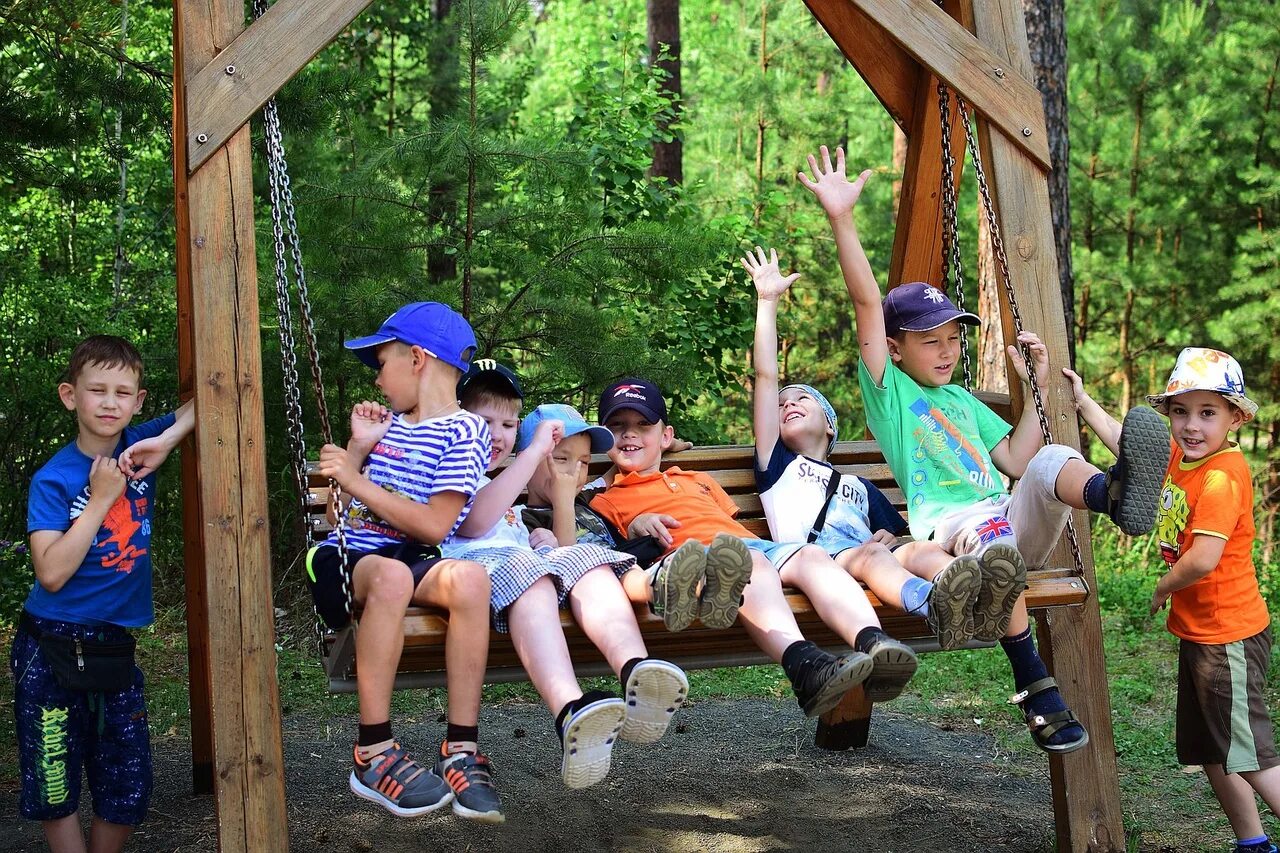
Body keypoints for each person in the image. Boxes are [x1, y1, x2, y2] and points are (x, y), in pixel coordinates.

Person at [800, 144, 1170, 753]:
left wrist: (1037, 388)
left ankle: (1116, 493)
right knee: (996, 552)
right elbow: (868, 303)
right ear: (894, 350)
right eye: (928, 342)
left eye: (951, 339)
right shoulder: (889, 393)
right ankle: (1037, 689)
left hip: (1007, 523)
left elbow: (1017, 463)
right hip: (956, 532)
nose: (945, 352)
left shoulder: (965, 402)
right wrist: (842, 217)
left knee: (1052, 461)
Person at [591, 377, 920, 715]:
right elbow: (605, 550)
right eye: (617, 426)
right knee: (750, 562)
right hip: (694, 560)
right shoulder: (606, 498)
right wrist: (634, 528)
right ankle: (803, 665)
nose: (630, 433)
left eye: (643, 425)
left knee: (811, 555)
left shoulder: (696, 480)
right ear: (604, 438)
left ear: (666, 435)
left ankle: (873, 642)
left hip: (749, 545)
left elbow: (726, 521)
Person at [1066, 348, 1280, 853]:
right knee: (1213, 751)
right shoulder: (1183, 460)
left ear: (1235, 417)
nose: (1191, 425)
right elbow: (1129, 446)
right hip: (1201, 633)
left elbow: (1204, 558)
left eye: (1208, 413)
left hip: (1229, 635)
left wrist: (1163, 586)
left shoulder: (1222, 476)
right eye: (1181, 411)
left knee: (1250, 756)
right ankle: (1252, 843)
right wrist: (1083, 402)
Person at [447, 367, 688, 790]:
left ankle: (636, 668)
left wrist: (541, 544)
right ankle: (570, 709)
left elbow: (546, 535)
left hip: (534, 577)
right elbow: (474, 524)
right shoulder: (453, 478)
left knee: (585, 557)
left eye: (507, 425)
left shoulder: (512, 493)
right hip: (486, 581)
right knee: (544, 570)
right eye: (485, 423)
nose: (497, 435)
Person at [306, 302, 502, 822]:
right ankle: (372, 751)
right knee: (392, 576)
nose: (378, 380)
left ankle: (461, 749)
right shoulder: (383, 426)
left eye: (382, 363)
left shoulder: (466, 434)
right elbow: (335, 514)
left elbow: (436, 526)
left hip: (412, 553)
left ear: (417, 358)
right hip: (347, 559)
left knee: (471, 580)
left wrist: (356, 476)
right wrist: (357, 448)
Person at [743, 245, 986, 650]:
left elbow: (897, 535)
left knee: (920, 551)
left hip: (870, 562)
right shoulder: (777, 466)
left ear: (829, 424)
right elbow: (766, 377)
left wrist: (892, 540)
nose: (787, 405)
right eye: (782, 404)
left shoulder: (857, 486)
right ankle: (937, 607)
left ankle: (974, 595)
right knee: (872, 559)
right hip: (817, 564)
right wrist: (767, 302)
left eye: (802, 399)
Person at [13, 335, 194, 853]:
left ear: (138, 401)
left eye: (123, 392)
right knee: (53, 777)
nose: (110, 402)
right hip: (50, 645)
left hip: (114, 645)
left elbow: (212, 398)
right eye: (98, 390)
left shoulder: (141, 446)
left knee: (127, 775)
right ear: (71, 396)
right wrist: (102, 498)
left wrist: (170, 436)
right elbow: (51, 573)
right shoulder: (54, 478)